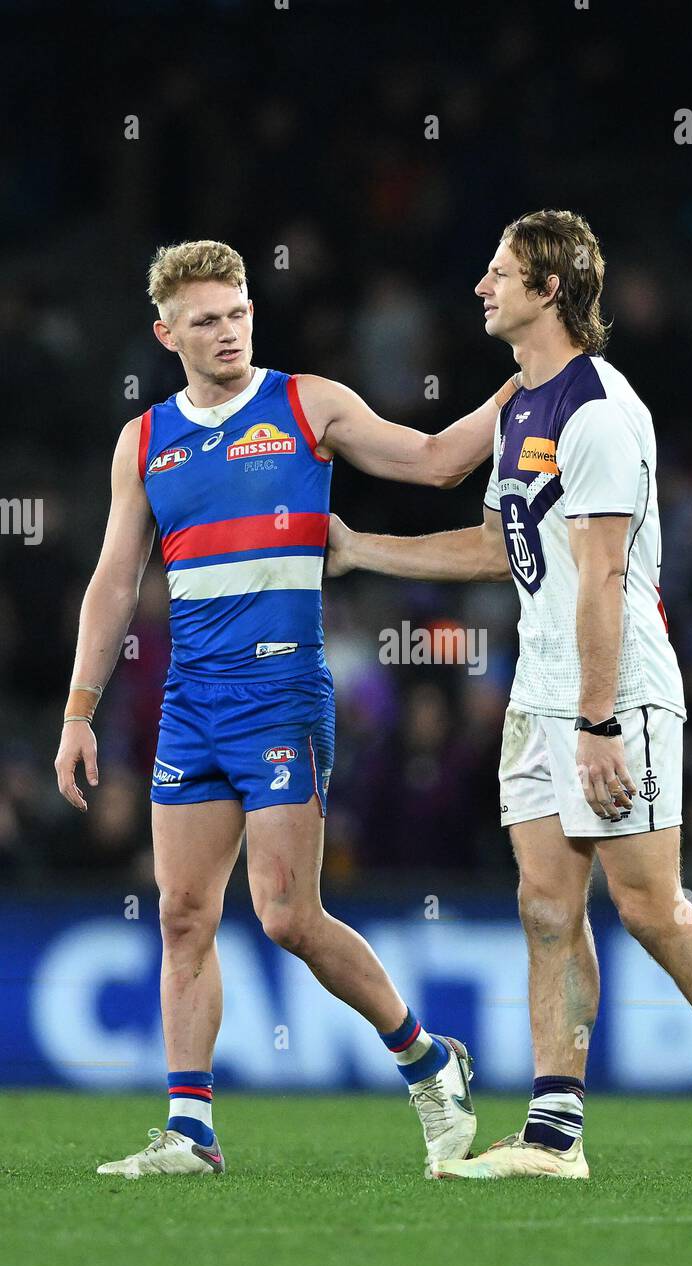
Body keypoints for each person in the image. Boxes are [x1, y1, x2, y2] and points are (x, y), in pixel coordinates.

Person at [326, 209, 692, 1181]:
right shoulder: (521, 396)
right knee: (546, 907)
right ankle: (554, 1136)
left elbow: (602, 577)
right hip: (540, 688)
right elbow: (475, 519)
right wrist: (355, 548)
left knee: (649, 907)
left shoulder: (598, 411)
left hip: (614, 691)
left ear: (548, 288)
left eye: (498, 272)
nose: (480, 285)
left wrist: (597, 721)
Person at [54, 239, 519, 1179]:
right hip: (192, 701)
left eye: (238, 313)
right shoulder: (143, 440)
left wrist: (525, 384)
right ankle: (191, 1131)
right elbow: (112, 582)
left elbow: (432, 463)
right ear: (166, 333)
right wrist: (77, 711)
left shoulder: (309, 404)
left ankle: (427, 1061)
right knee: (184, 914)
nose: (227, 332)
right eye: (205, 321)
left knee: (284, 915)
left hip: (282, 696)